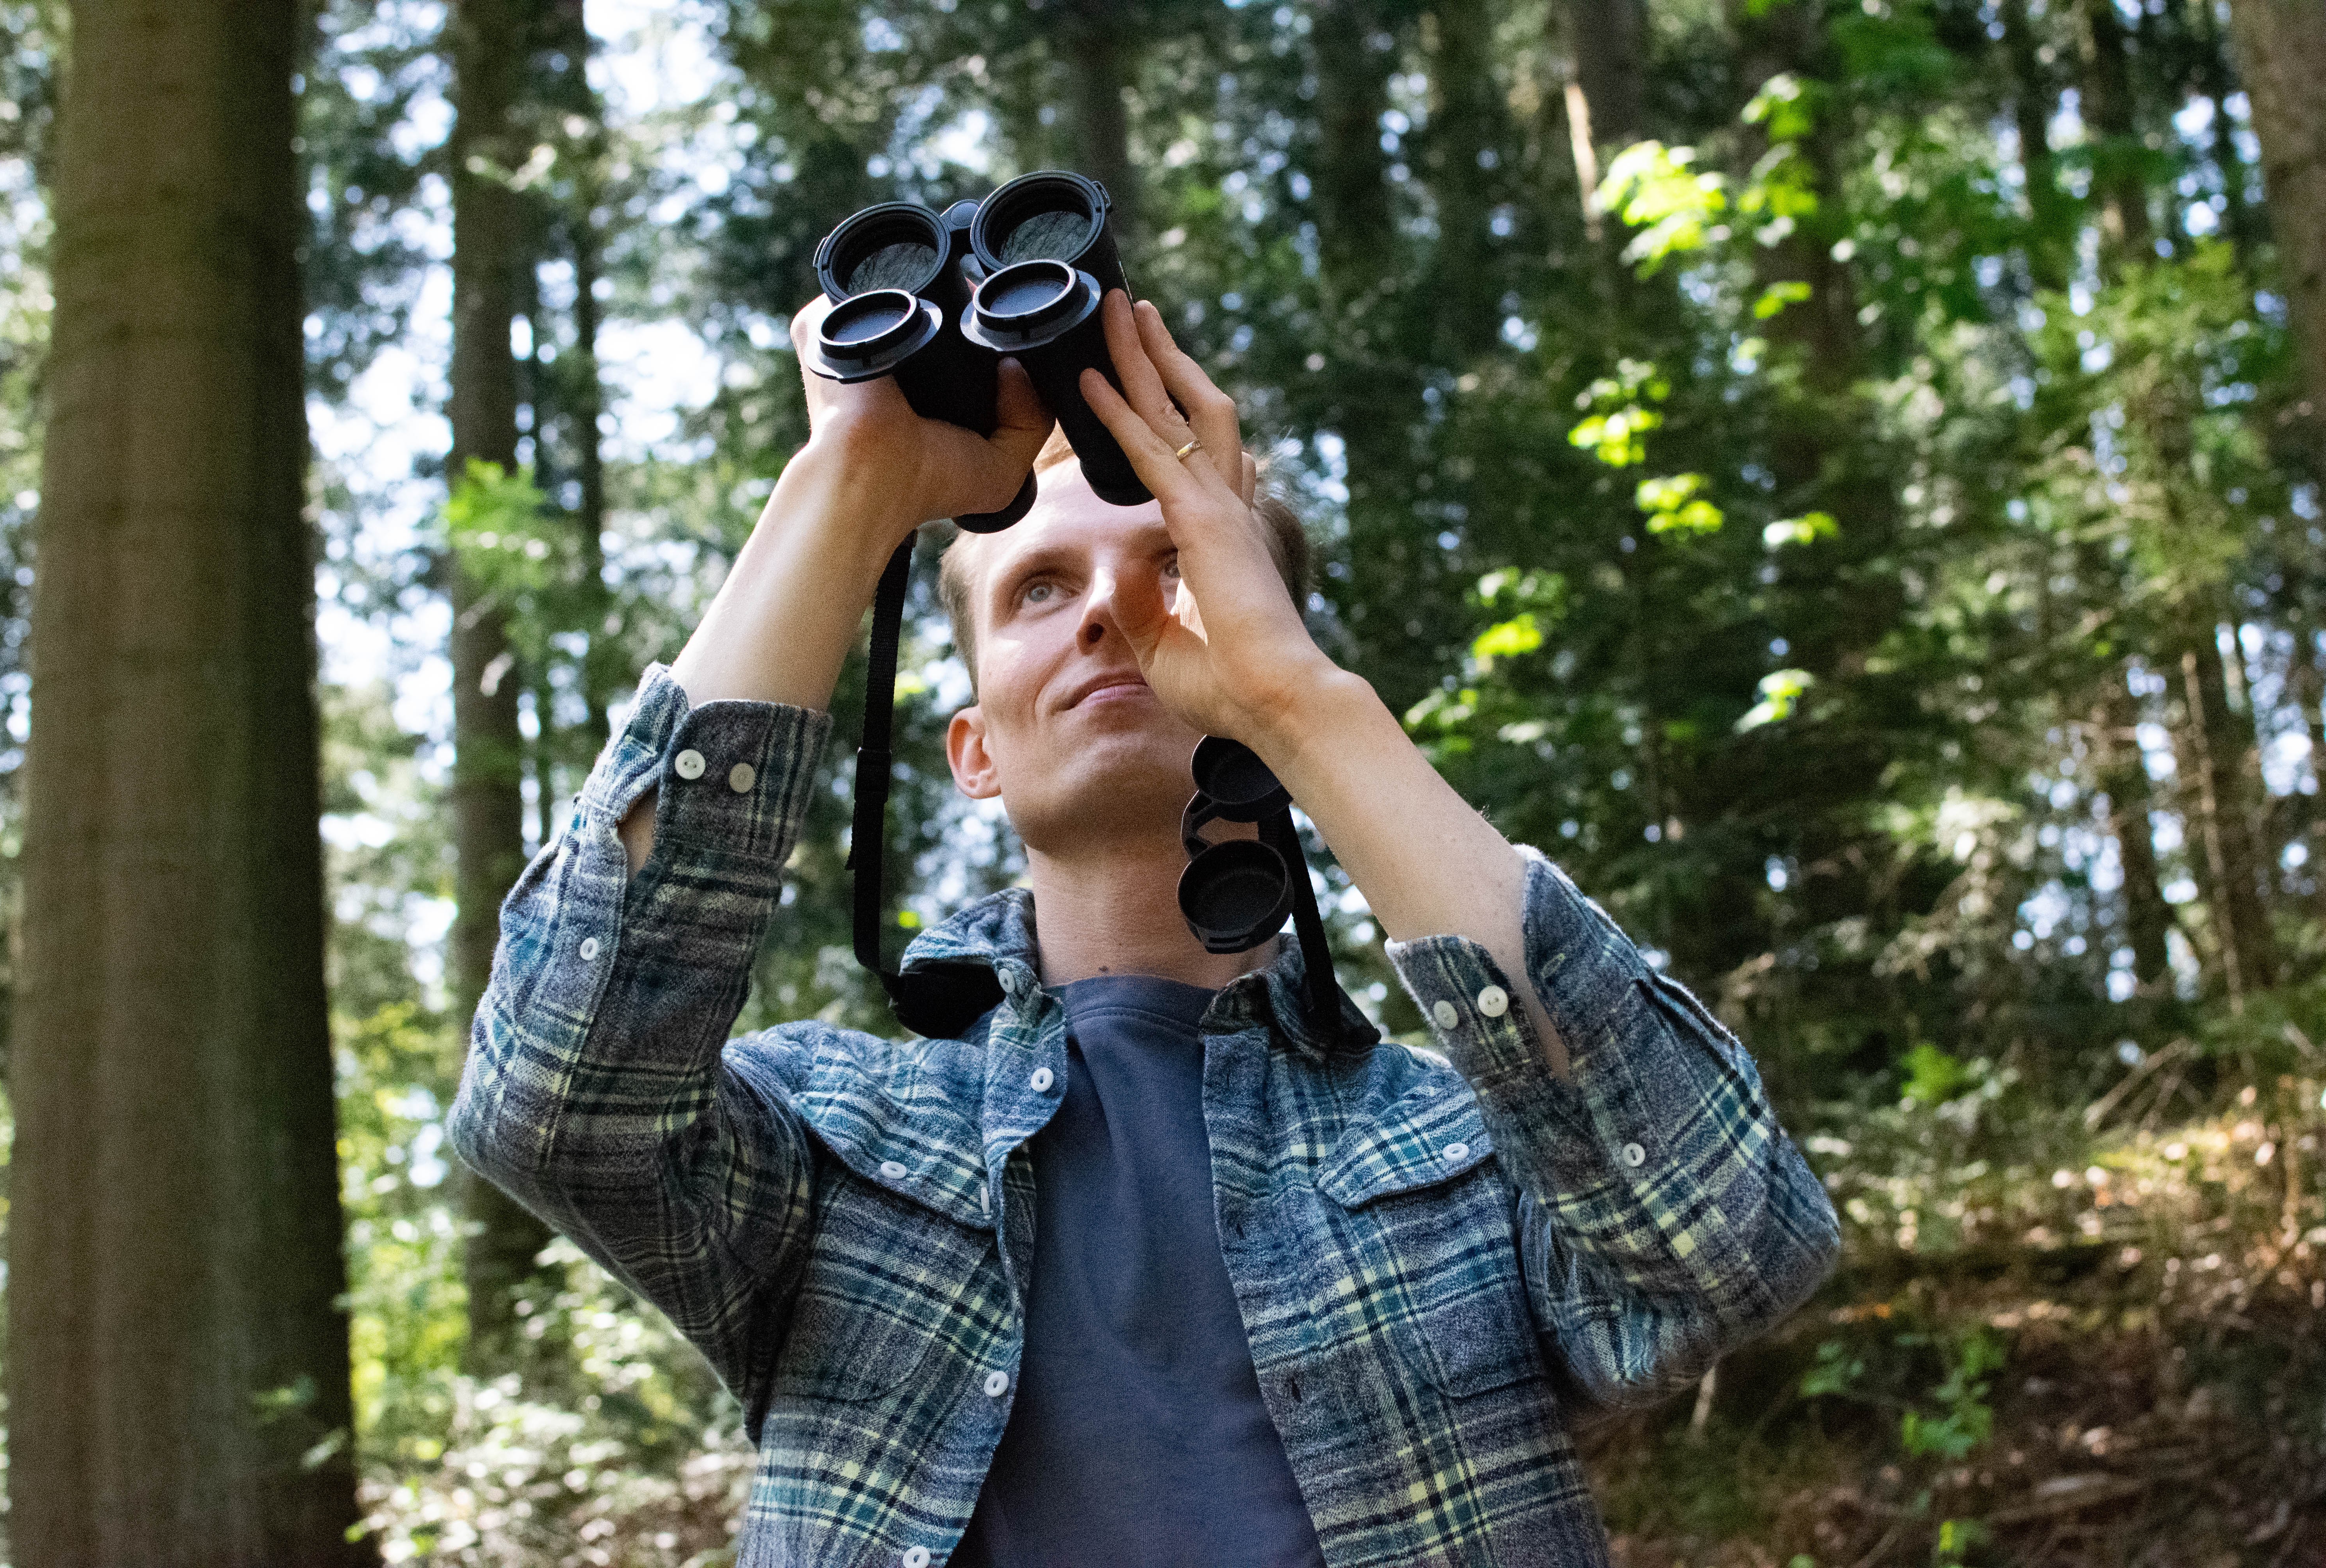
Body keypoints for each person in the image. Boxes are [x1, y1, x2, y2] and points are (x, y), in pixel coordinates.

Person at [448, 283, 1841, 1568]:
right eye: (1037, 589)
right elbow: (554, 1103)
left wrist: (1305, 706)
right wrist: (848, 491)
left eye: (1172, 567)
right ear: (973, 749)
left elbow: (1727, 1249)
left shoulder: (1462, 1148)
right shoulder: (831, 1141)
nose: (1110, 609)